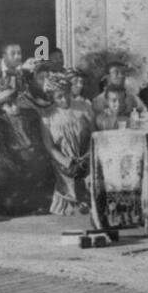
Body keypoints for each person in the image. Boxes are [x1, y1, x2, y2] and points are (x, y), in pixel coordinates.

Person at [0, 90, 53, 214]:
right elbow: (2, 148)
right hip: (16, 158)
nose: (15, 107)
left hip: (37, 155)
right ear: (2, 108)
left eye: (15, 102)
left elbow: (40, 137)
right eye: (9, 105)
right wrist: (14, 162)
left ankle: (40, 201)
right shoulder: (0, 122)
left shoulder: (30, 114)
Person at [41, 74, 93, 215]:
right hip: (64, 162)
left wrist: (87, 156)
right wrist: (66, 161)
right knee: (71, 190)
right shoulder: (47, 115)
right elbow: (49, 146)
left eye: (66, 94)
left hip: (86, 157)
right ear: (52, 97)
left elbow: (93, 135)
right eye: (59, 97)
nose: (64, 99)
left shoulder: (84, 107)